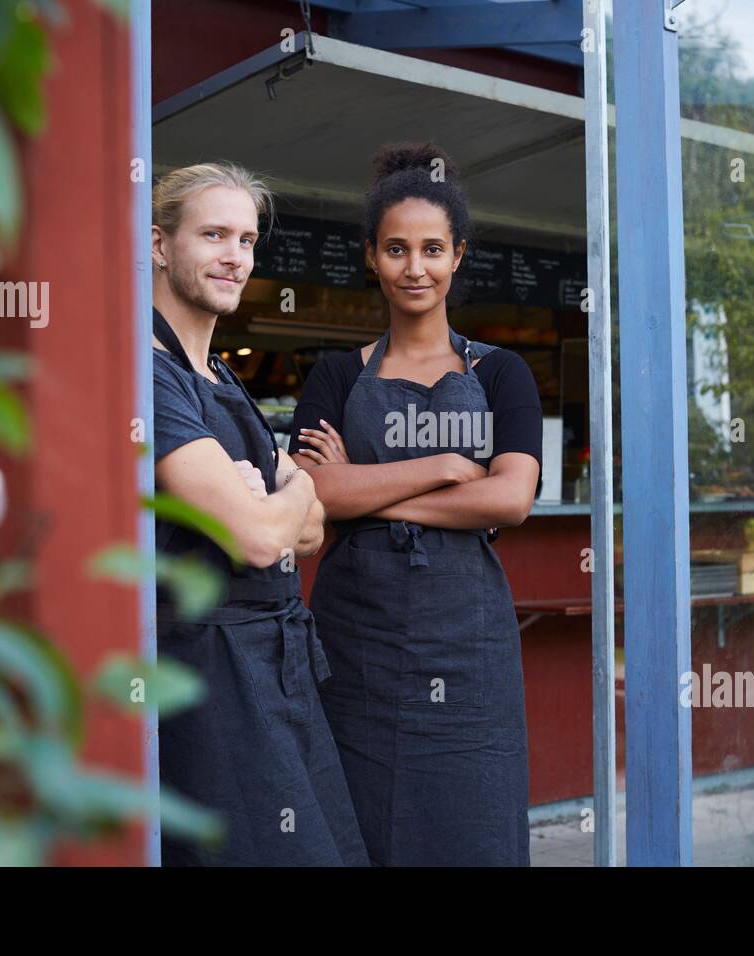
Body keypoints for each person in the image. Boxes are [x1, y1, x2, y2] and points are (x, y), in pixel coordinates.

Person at [291, 142, 543, 866]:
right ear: (371, 255)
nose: (415, 267)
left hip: (468, 645)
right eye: (396, 249)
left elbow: (512, 497)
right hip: (356, 642)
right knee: (360, 819)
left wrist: (368, 495)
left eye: (433, 249)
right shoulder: (338, 373)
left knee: (473, 822)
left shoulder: (501, 373)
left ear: (458, 255)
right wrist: (444, 467)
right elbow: (315, 491)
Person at [151, 162, 368, 866]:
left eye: (245, 240)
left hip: (280, 666)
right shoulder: (146, 376)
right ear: (159, 245)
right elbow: (259, 536)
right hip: (211, 676)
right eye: (213, 234)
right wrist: (294, 488)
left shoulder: (225, 378)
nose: (234, 256)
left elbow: (309, 529)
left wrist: (284, 488)